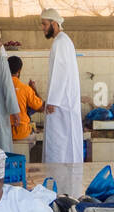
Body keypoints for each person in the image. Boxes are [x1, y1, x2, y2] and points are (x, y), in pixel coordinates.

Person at [40, 9, 82, 166]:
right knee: (61, 143)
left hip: (61, 105)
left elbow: (60, 73)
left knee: (59, 144)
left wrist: (53, 100)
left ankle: (59, 177)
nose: (43, 28)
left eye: (44, 24)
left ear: (54, 23)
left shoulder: (61, 42)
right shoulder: (62, 41)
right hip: (62, 103)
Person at [9, 55, 44, 141]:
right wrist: (34, 89)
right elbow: (42, 108)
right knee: (33, 138)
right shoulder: (26, 89)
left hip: (4, 133)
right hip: (22, 132)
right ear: (19, 70)